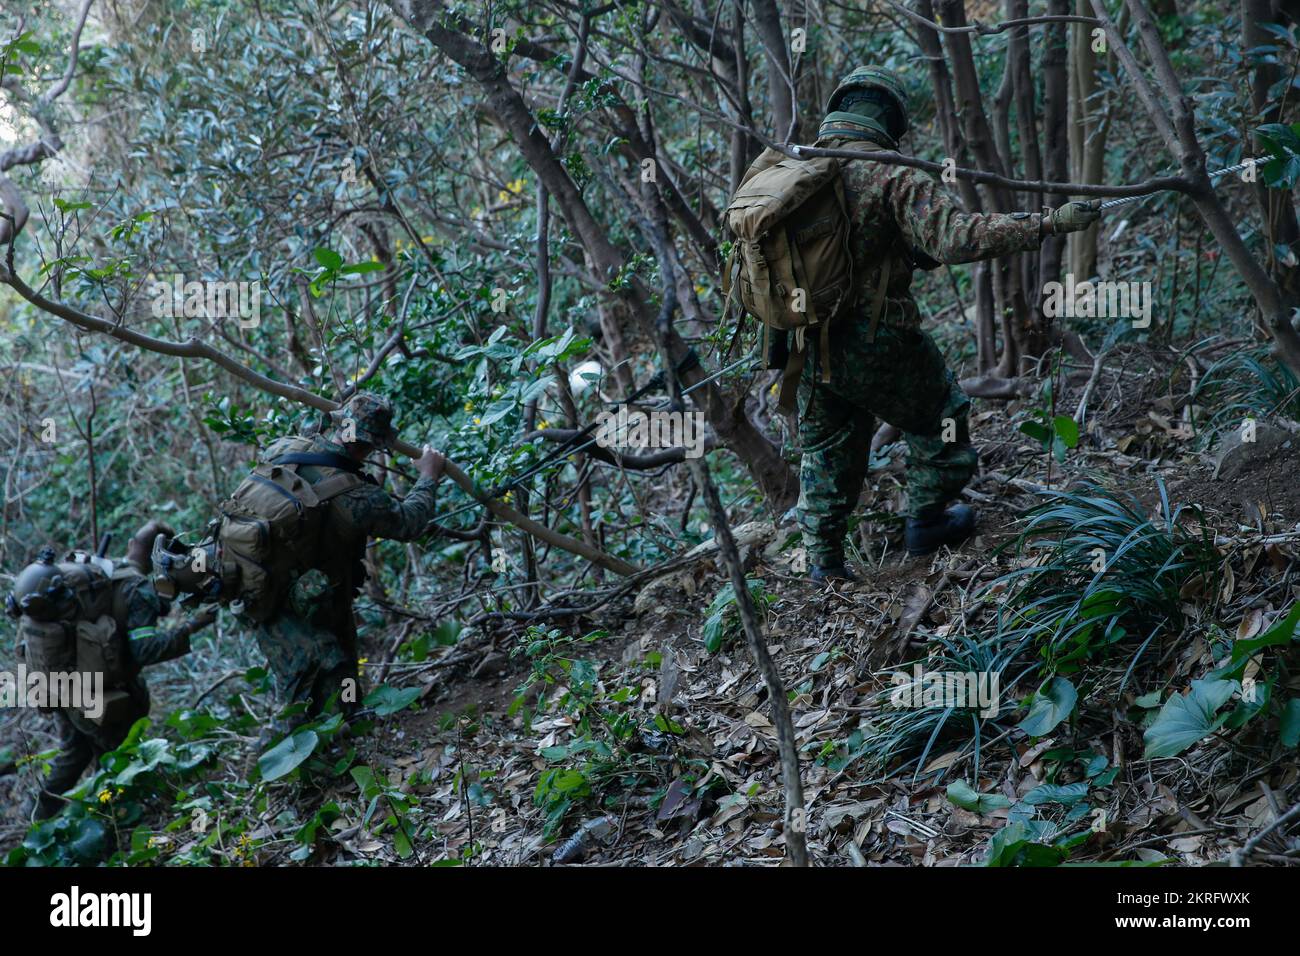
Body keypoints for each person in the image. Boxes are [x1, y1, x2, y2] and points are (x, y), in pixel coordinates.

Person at [788, 67, 1100, 581]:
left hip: (801, 340)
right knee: (942, 412)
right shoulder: (893, 175)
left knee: (826, 447)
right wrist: (1047, 222)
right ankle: (927, 521)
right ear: (890, 118)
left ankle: (824, 564)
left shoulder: (796, 170)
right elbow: (959, 238)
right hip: (874, 340)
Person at [166, 391, 447, 722]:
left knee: (339, 668)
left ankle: (352, 723)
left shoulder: (284, 448)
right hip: (289, 603)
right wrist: (428, 476)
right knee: (314, 687)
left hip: (258, 581)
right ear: (371, 445)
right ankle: (299, 756)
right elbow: (409, 523)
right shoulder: (357, 497)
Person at [5, 521, 213, 819]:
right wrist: (192, 627)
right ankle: (115, 821)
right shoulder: (137, 590)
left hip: (55, 683)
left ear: (131, 545)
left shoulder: (93, 572)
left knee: (74, 752)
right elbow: (146, 650)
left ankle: (37, 813)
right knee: (117, 756)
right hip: (86, 692)